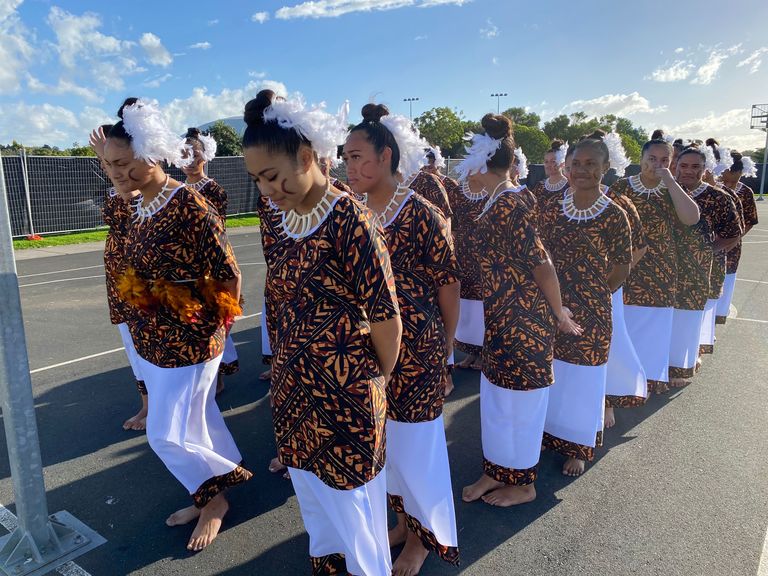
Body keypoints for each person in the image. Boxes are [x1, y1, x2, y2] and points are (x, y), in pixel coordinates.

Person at [244, 90, 402, 576]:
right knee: (313, 498)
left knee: (354, 507)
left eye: (272, 176)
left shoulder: (350, 219)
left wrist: (369, 381)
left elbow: (386, 318)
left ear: (309, 157)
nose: (267, 190)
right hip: (293, 389)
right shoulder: (279, 218)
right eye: (257, 180)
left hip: (346, 393)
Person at [103, 98, 251, 552]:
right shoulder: (139, 205)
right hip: (153, 338)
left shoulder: (187, 203)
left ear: (151, 151)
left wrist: (219, 331)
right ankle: (211, 488)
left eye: (125, 162)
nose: (118, 173)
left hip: (190, 340)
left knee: (164, 434)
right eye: (109, 165)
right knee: (196, 420)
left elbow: (229, 271)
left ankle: (216, 498)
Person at [344, 103, 461, 575]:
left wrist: (447, 345)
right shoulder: (346, 210)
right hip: (363, 350)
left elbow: (447, 285)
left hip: (417, 349)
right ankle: (401, 520)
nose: (348, 166)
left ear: (386, 155)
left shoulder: (423, 213)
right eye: (345, 157)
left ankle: (421, 539)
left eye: (357, 157)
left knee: (416, 446)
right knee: (383, 443)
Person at [458, 113, 581, 506]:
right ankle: (496, 472)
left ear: (481, 162)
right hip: (501, 320)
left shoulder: (512, 202)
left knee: (521, 405)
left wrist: (559, 313)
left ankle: (524, 483)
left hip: (525, 322)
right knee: (497, 400)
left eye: (467, 162)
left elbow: (542, 265)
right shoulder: (498, 200)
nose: (463, 171)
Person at [538, 131, 632, 476]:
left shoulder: (614, 214)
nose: (581, 169)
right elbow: (539, 256)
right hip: (551, 304)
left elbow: (622, 267)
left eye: (591, 163)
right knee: (554, 373)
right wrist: (556, 300)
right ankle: (551, 434)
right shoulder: (549, 208)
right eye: (576, 163)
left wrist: (594, 294)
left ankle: (579, 446)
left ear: (605, 168)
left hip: (592, 310)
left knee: (584, 377)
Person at [606, 138, 700, 394]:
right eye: (652, 159)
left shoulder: (674, 189)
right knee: (623, 328)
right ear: (641, 160)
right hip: (626, 266)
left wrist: (670, 181)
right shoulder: (622, 186)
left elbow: (691, 218)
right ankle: (619, 388)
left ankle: (647, 380)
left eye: (664, 160)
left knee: (654, 329)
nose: (657, 165)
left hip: (662, 270)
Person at [90, 122, 147, 431]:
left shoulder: (135, 191)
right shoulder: (115, 189)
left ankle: (154, 408)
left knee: (144, 347)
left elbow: (132, 205)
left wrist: (107, 159)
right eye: (105, 161)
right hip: (119, 284)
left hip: (137, 285)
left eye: (114, 161)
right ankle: (147, 405)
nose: (109, 167)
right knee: (132, 347)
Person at [671, 147, 741, 381]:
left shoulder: (718, 197)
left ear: (705, 169)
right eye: (684, 166)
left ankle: (683, 364)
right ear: (675, 166)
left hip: (702, 270)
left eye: (695, 167)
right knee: (667, 317)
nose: (688, 171)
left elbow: (733, 233)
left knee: (691, 318)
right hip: (667, 268)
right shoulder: (666, 192)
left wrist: (707, 251)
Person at [182, 127, 239, 393]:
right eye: (184, 154)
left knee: (214, 318)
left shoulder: (213, 189)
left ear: (205, 156)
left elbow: (218, 232)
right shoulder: (178, 190)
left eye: (194, 154)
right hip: (189, 266)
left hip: (210, 264)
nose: (190, 160)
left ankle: (217, 378)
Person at [716, 152, 759, 323]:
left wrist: (735, 238)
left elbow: (750, 220)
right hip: (713, 243)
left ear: (739, 173)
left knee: (728, 276)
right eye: (725, 179)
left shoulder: (745, 192)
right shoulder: (714, 189)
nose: (728, 183)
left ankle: (720, 315)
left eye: (732, 180)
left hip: (732, 246)